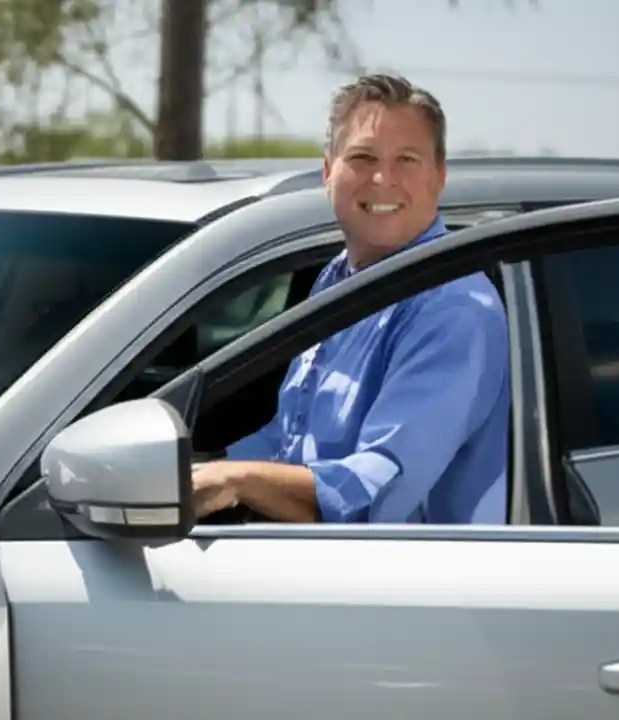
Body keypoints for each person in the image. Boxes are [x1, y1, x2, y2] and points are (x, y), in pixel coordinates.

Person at [191, 74, 509, 525]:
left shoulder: (452, 308)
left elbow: (370, 496)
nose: (383, 179)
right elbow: (293, 440)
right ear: (328, 172)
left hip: (412, 585)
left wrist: (234, 480)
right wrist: (197, 470)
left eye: (407, 160)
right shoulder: (342, 277)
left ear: (439, 175)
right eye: (362, 157)